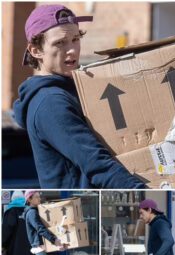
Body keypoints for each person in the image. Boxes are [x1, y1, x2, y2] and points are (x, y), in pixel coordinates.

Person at [13, 4, 146, 189]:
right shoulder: (50, 103)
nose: (72, 50)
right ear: (36, 51)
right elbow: (97, 164)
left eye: (75, 39)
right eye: (60, 42)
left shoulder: (73, 89)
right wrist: (142, 194)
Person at [23, 190, 64, 255]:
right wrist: (54, 239)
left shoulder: (35, 211)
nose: (39, 199)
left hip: (44, 246)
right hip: (40, 247)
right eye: (36, 197)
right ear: (29, 199)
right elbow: (40, 229)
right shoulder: (32, 213)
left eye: (39, 197)